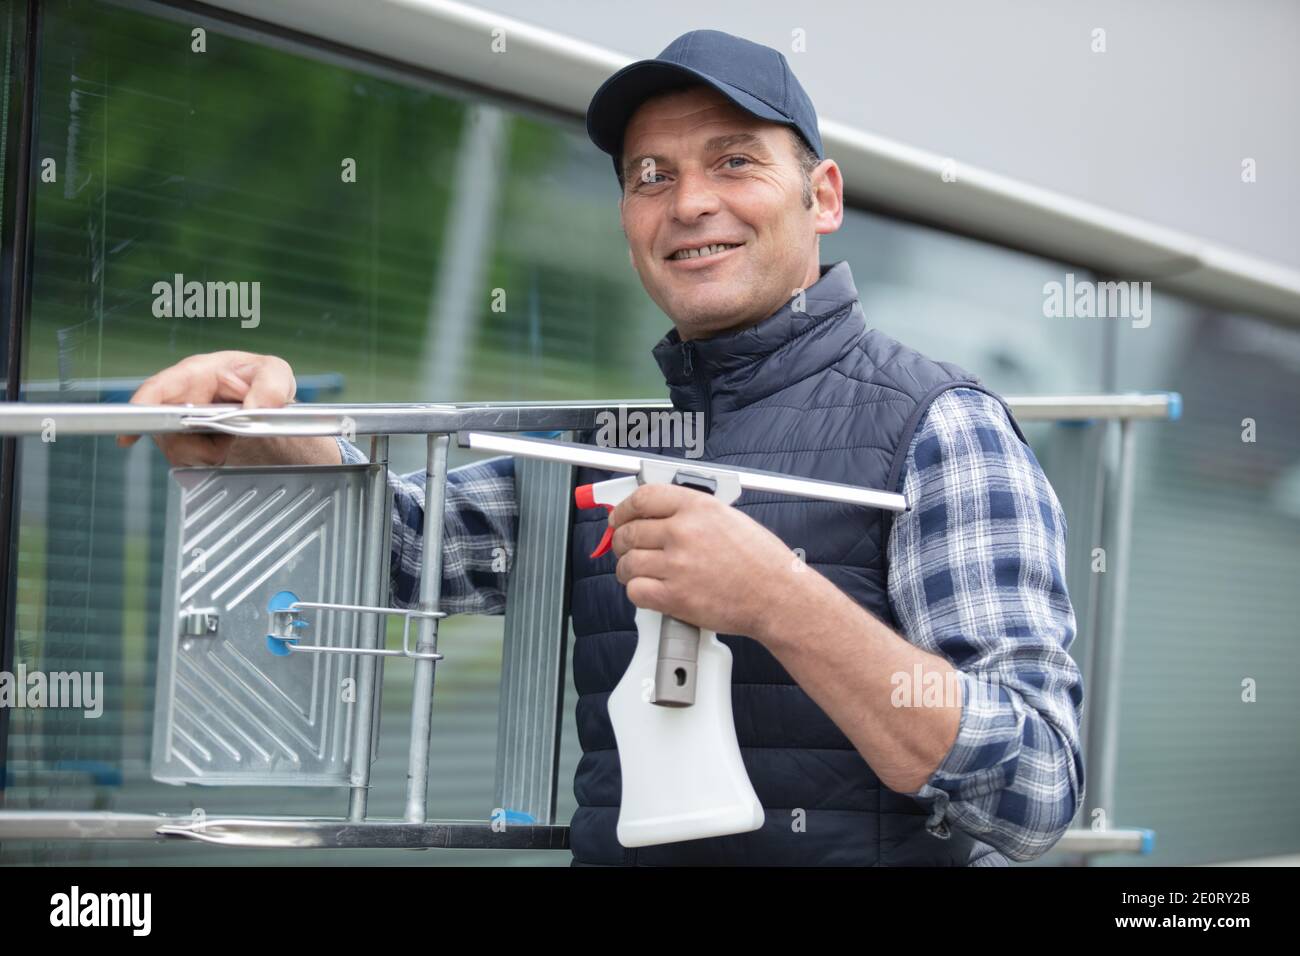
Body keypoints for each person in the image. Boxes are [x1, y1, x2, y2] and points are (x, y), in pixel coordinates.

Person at [121, 29, 1083, 866]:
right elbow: (403, 551)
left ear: (821, 196)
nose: (689, 201)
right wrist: (264, 445)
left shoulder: (938, 427)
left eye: (735, 161)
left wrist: (781, 602)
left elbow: (1035, 790)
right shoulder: (612, 452)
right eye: (650, 176)